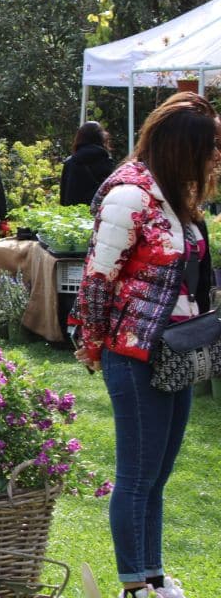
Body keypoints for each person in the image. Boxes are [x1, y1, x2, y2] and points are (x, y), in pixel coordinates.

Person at [71, 92, 217, 598]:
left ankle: (153, 577)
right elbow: (96, 280)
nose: (216, 156)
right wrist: (90, 342)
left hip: (174, 352)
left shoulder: (174, 194)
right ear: (181, 147)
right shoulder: (130, 195)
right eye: (210, 146)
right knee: (135, 476)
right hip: (134, 354)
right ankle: (135, 586)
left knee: (157, 477)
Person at [60, 121, 115, 207]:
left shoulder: (69, 162)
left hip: (71, 216)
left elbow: (63, 196)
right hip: (95, 214)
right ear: (101, 137)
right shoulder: (104, 160)